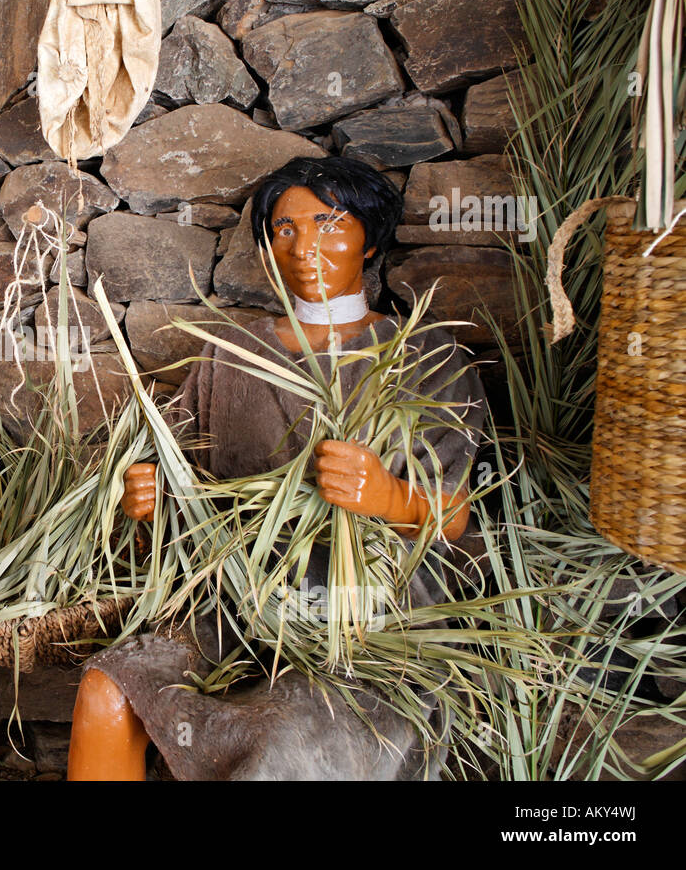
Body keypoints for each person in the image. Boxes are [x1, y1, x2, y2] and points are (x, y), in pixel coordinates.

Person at [67, 156, 486, 780]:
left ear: (369, 239)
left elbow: (453, 515)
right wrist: (151, 501)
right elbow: (184, 500)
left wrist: (389, 496)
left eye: (328, 222)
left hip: (370, 622)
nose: (304, 245)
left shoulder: (425, 354)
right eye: (285, 230)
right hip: (235, 607)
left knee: (286, 737)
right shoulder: (229, 353)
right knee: (106, 688)